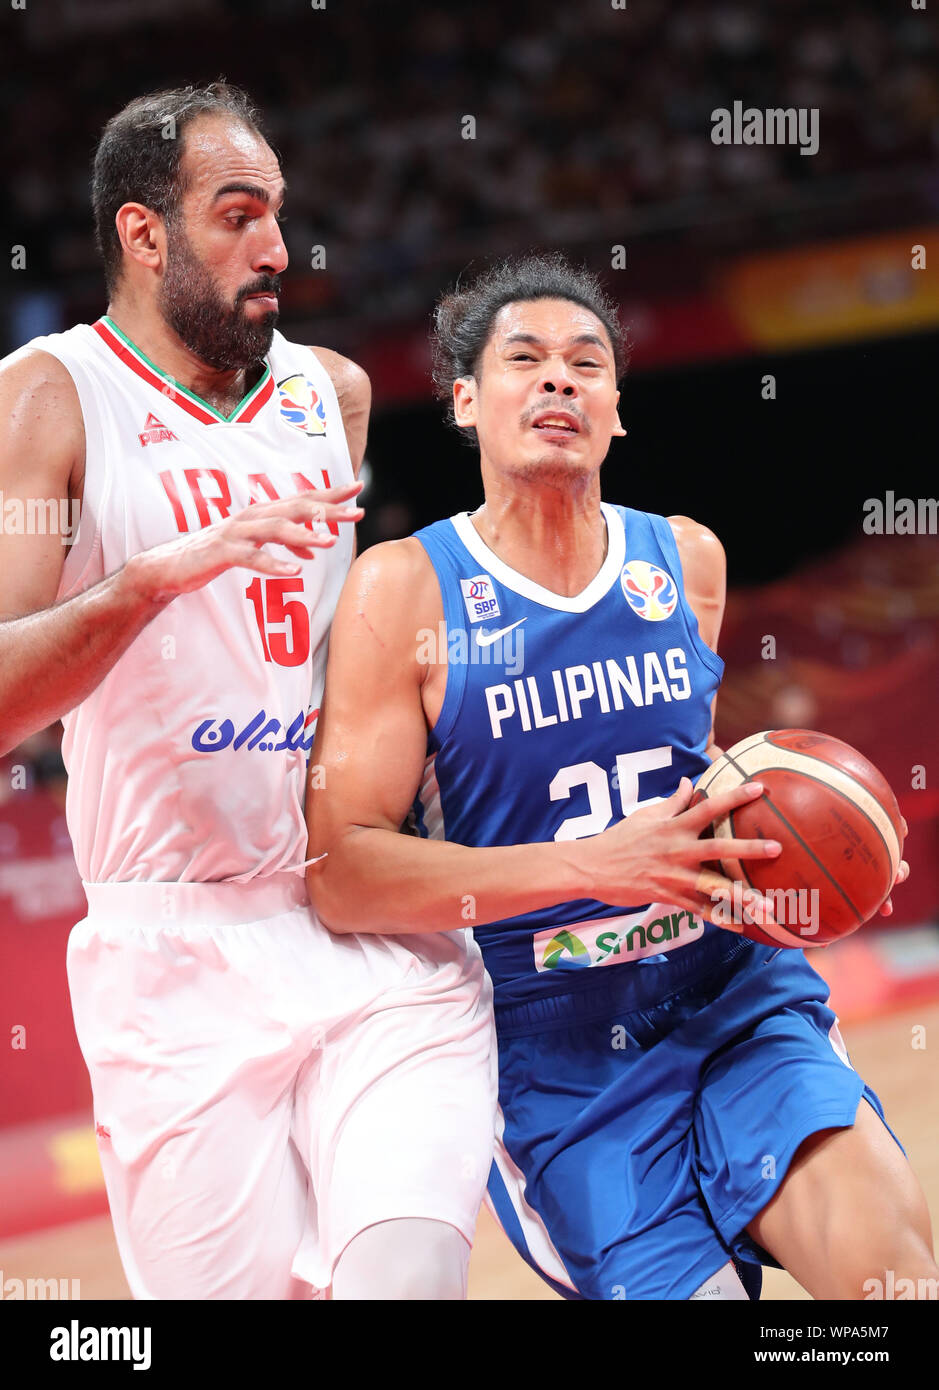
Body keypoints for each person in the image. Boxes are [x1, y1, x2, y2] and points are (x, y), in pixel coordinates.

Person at [305, 252, 937, 1300]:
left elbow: (722, 789)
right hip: (557, 1054)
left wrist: (832, 837)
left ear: (615, 410)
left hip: (732, 994)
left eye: (585, 363)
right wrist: (595, 862)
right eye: (525, 359)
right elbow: (344, 870)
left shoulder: (686, 560)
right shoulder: (406, 588)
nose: (559, 379)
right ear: (466, 400)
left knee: (891, 1286)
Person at [0, 82, 496, 1301]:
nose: (278, 248)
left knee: (409, 1277)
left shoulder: (333, 393)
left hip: (359, 904)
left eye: (277, 213)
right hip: (171, 953)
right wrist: (148, 583)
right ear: (144, 233)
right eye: (238, 216)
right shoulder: (51, 396)